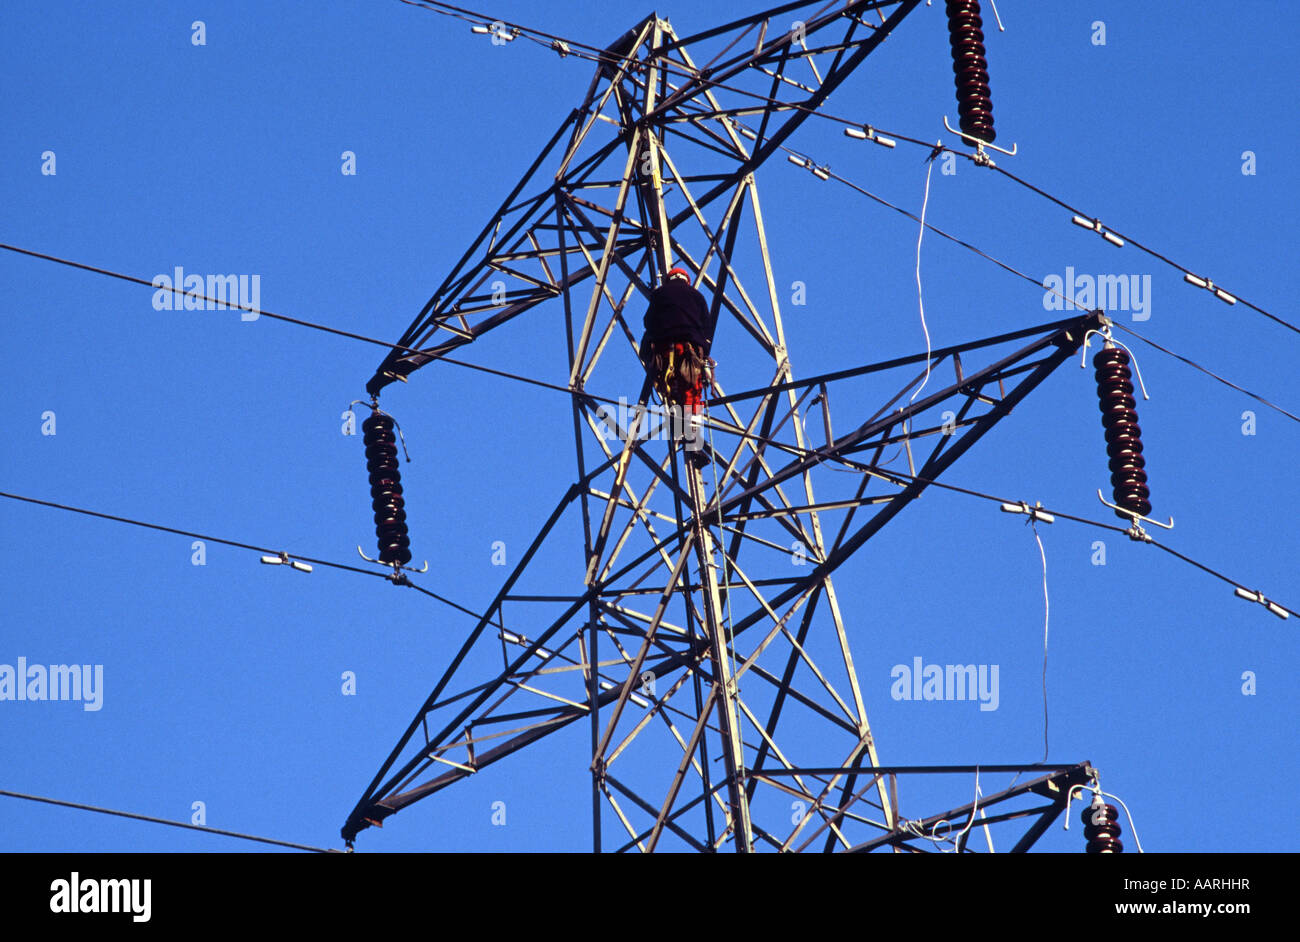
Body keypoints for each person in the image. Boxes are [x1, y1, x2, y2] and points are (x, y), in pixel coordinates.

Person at [639, 267, 714, 466]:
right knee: (692, 393)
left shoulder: (659, 294)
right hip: (688, 350)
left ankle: (679, 420)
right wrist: (704, 352)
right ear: (686, 280)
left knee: (670, 389)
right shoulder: (696, 296)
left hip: (664, 352)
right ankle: (694, 442)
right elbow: (707, 328)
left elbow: (648, 321)